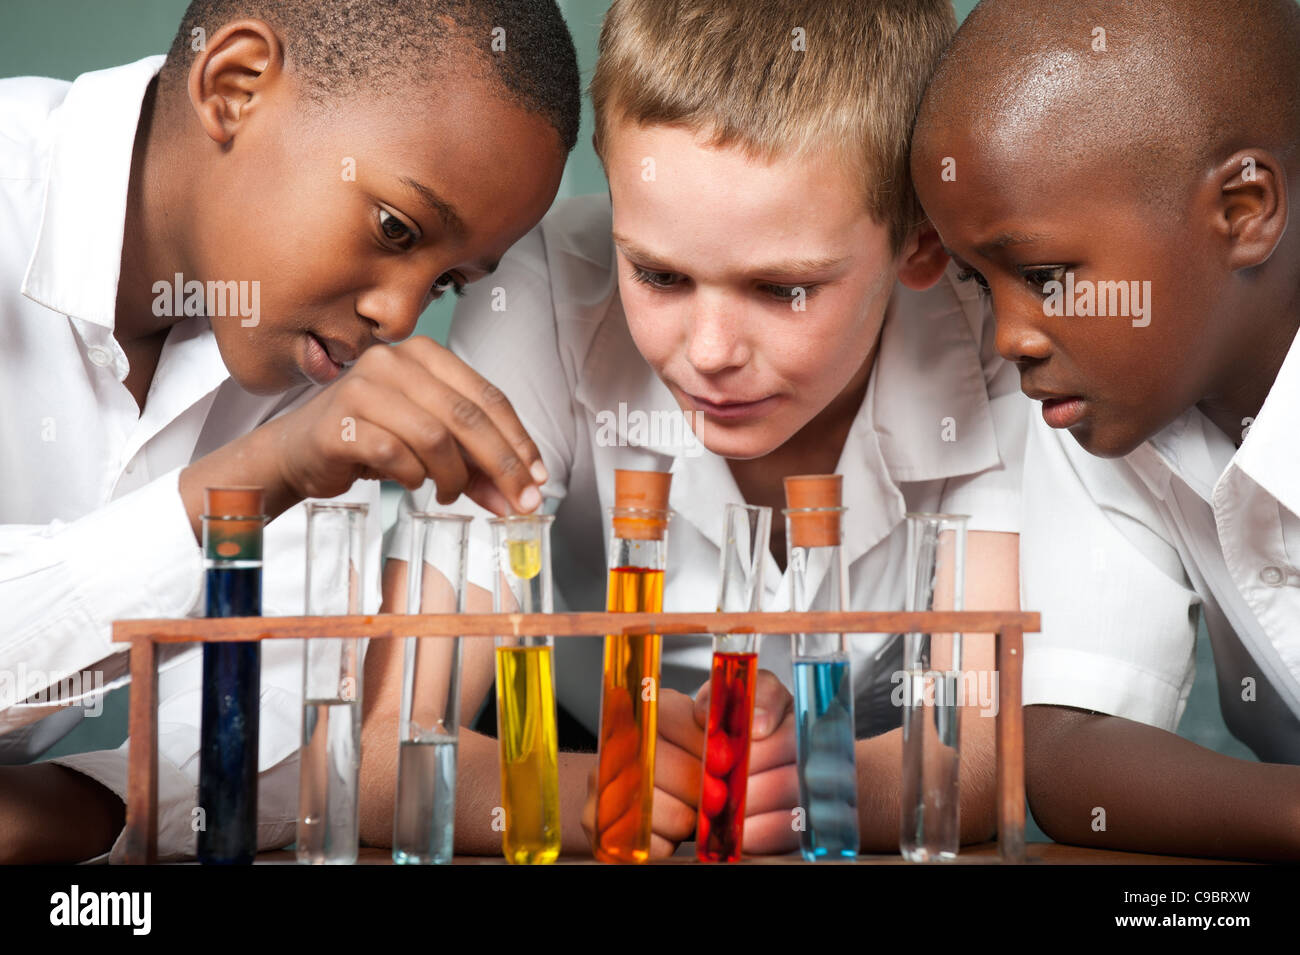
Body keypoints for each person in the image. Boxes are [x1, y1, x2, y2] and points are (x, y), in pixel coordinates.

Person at [362, 0, 1027, 858]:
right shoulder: (543, 289)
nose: (710, 352)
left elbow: (992, 748)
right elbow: (383, 748)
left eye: (782, 289)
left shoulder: (997, 334)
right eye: (660, 274)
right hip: (555, 754)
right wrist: (597, 788)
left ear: (920, 246)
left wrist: (825, 785)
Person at [0, 0, 579, 863]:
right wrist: (253, 477)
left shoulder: (294, 352)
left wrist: (43, 812)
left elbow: (289, 754)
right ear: (233, 86)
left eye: (447, 281)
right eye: (394, 228)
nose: (397, 314)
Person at [910, 0, 1300, 860]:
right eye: (981, 283)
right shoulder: (1101, 409)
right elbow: (1064, 751)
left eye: (1044, 275)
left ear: (1244, 209)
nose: (1011, 336)